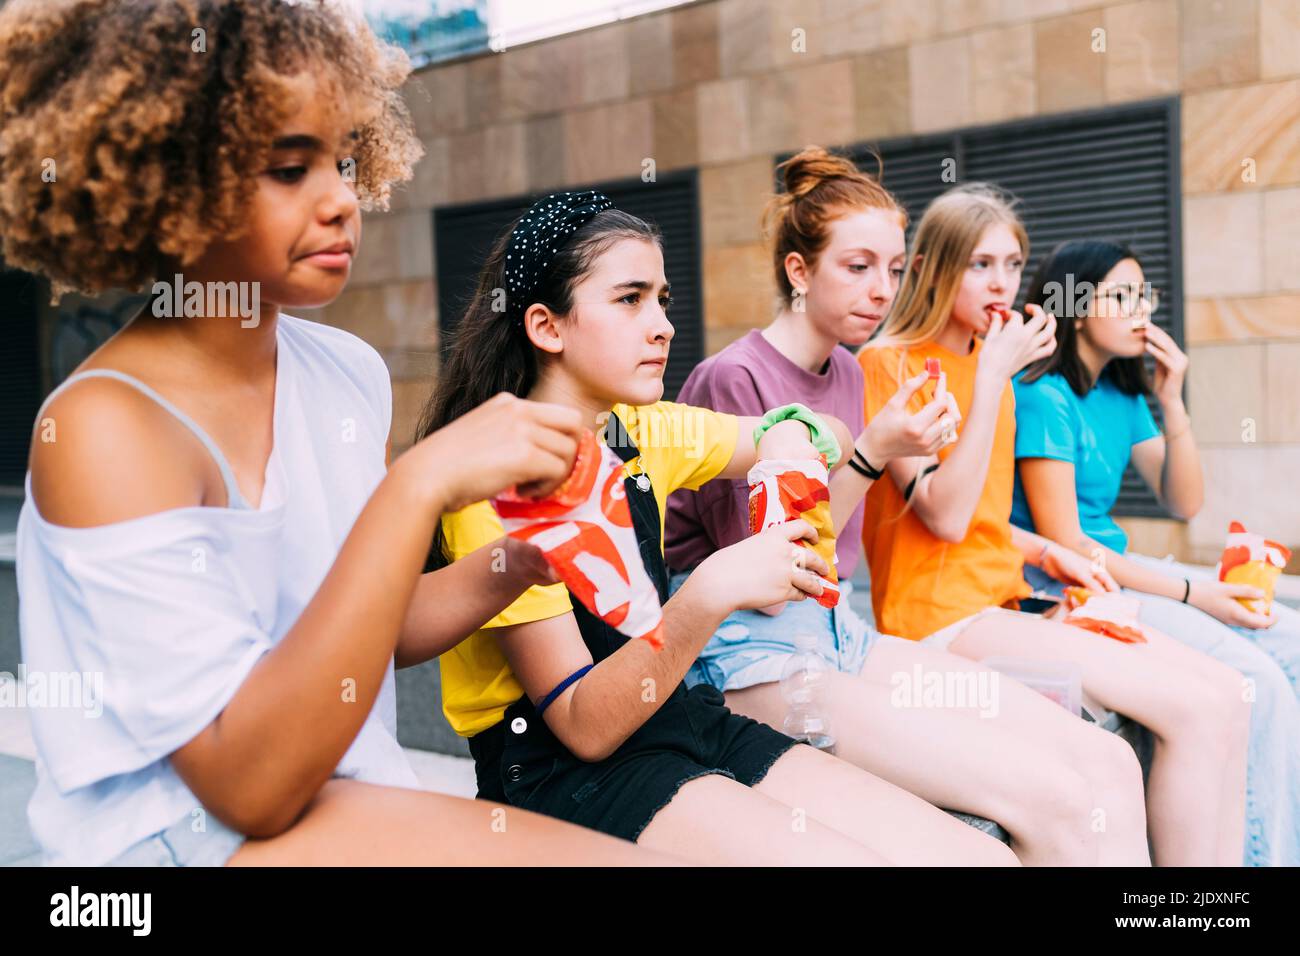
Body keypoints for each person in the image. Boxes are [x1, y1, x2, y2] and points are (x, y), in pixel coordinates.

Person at [1, 0, 671, 866]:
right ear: (166, 179)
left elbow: (368, 630)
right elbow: (247, 786)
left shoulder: (343, 372)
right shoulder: (104, 426)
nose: (342, 201)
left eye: (347, 160)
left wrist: (535, 551)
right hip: (176, 845)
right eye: (289, 169)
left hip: (349, 797)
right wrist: (419, 484)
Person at [421, 189, 1017, 865]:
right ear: (546, 327)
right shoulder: (491, 485)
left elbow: (809, 426)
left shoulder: (643, 429)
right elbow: (584, 727)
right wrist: (709, 591)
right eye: (629, 299)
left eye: (664, 300)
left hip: (678, 716)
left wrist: (793, 438)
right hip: (563, 772)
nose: (663, 325)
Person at [664, 146, 1156, 865]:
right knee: (1047, 795)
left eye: (894, 270)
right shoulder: (733, 378)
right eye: (857, 267)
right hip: (750, 659)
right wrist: (870, 453)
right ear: (799, 272)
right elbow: (773, 579)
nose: (881, 290)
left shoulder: (851, 373)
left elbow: (948, 515)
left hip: (841, 633)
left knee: (1104, 761)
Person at [857, 183, 1250, 866]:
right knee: (1188, 711)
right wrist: (988, 378)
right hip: (936, 617)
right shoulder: (887, 364)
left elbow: (984, 520)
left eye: (1013, 264)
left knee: (1224, 695)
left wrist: (1048, 549)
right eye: (980, 265)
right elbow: (945, 518)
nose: (1002, 283)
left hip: (1008, 597)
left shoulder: (996, 372)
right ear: (931, 268)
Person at [1013, 239, 1300, 865]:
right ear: (1077, 308)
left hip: (1123, 573)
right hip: (1068, 583)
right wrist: (1199, 593)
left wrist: (1172, 401)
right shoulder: (1042, 393)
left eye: (1145, 294)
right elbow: (1068, 542)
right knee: (1257, 683)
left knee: (1293, 638)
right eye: (1121, 296)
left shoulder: (1121, 393)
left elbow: (1183, 503)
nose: (1141, 309)